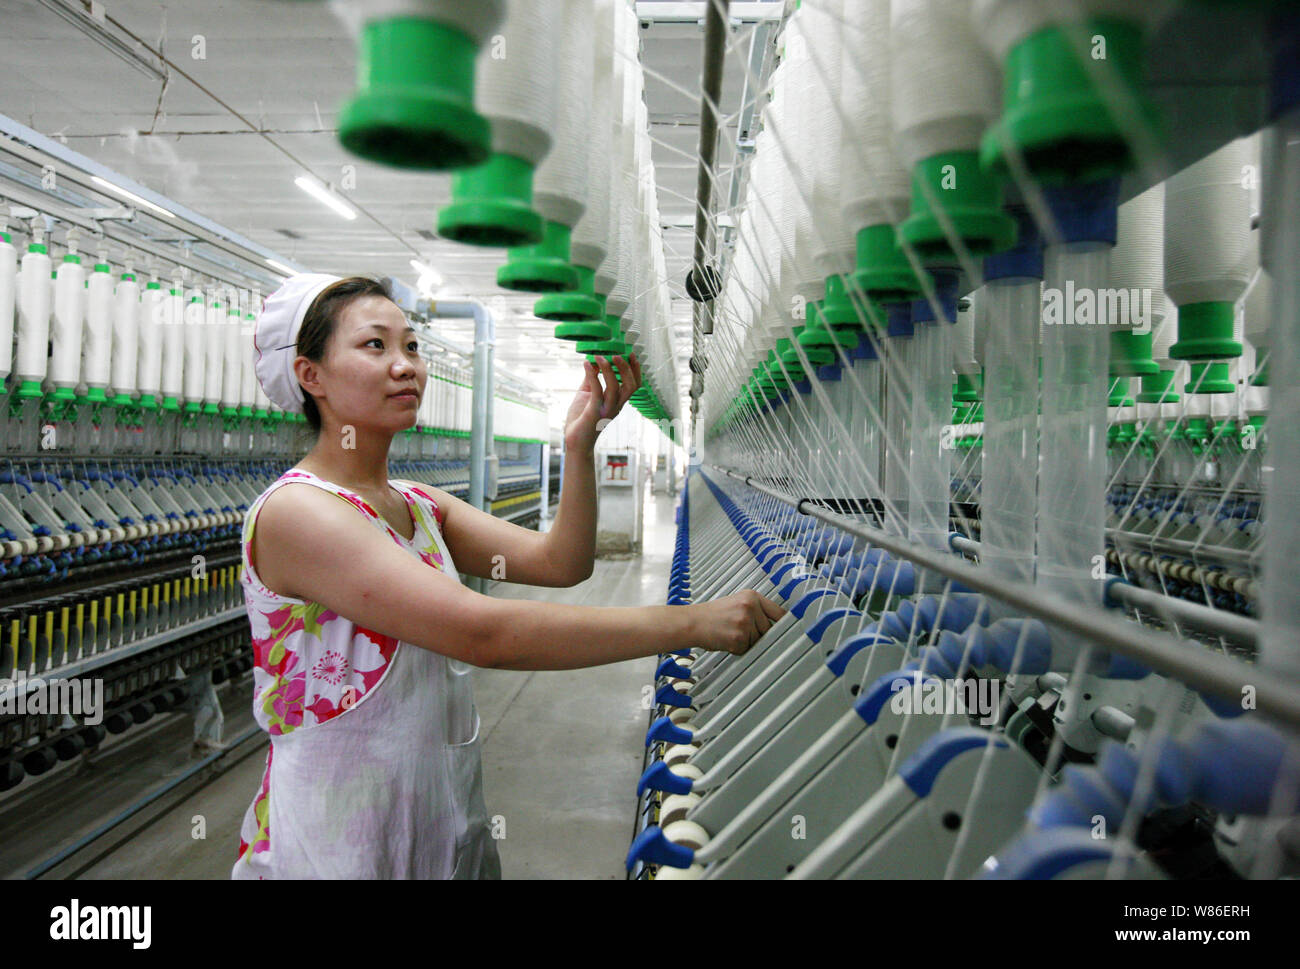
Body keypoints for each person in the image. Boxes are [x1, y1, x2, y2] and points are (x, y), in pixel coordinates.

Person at [231, 274, 785, 880]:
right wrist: (691, 623)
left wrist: (580, 444)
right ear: (310, 375)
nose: (405, 366)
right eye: (374, 346)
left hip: (442, 822)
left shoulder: (419, 505)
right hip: (337, 842)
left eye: (412, 347)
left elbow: (561, 564)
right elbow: (483, 634)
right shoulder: (298, 513)